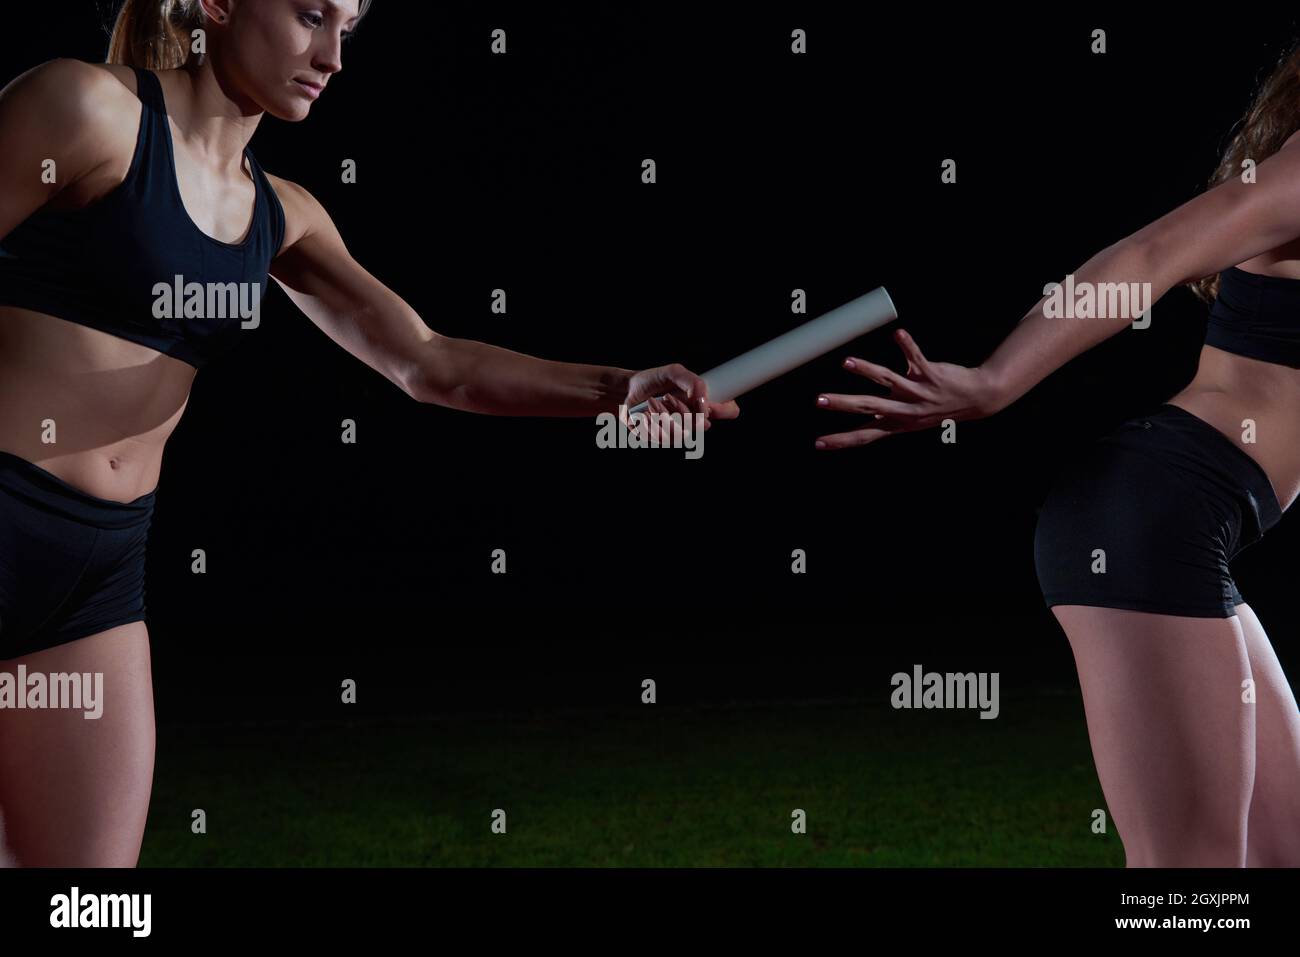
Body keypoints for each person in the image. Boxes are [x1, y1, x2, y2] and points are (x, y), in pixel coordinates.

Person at [0, 0, 738, 866]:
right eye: (311, 15)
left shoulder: (282, 215)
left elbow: (430, 363)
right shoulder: (86, 110)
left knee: (86, 905)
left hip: (99, 577)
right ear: (219, 4)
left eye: (348, 29)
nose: (332, 55)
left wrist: (619, 389)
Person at [813, 39, 1300, 867]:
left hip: (1183, 523)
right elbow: (1147, 257)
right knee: (1192, 882)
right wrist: (994, 380)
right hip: (1153, 515)